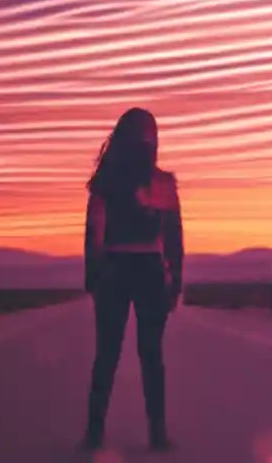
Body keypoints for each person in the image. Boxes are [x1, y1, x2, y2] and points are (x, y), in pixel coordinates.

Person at [82, 107, 184, 452]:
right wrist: (176, 279)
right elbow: (174, 238)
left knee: (110, 355)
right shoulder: (159, 185)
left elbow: (93, 233)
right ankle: (154, 434)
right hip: (144, 271)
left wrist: (93, 277)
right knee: (147, 356)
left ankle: (97, 434)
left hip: (119, 270)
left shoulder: (108, 183)